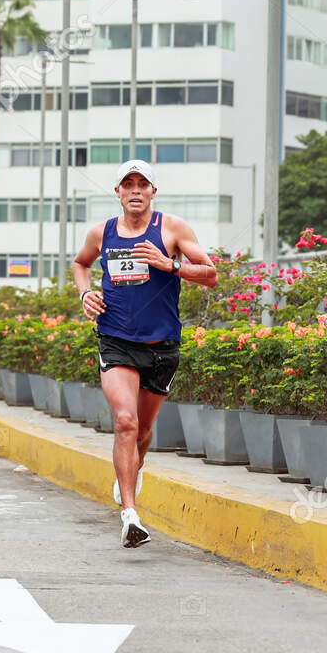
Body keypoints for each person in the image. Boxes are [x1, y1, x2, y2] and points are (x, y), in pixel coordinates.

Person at [72, 159, 217, 549]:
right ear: (118, 192)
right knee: (125, 422)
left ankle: (132, 471)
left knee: (144, 431)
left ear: (153, 191)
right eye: (127, 184)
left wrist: (169, 264)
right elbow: (81, 264)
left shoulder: (171, 228)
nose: (135, 190)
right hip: (117, 340)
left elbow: (211, 273)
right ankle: (130, 515)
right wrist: (86, 293)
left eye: (142, 184)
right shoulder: (101, 233)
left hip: (162, 345)